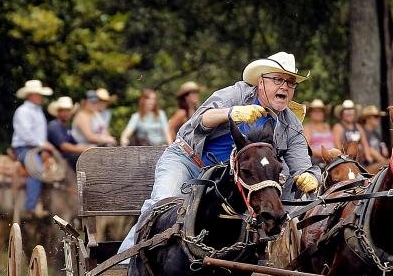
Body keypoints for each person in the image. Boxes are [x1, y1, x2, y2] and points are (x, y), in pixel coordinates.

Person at [119, 51, 322, 252]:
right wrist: (230, 112)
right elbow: (200, 120)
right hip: (188, 162)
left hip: (223, 183)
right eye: (278, 79)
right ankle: (125, 263)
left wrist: (310, 176)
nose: (284, 87)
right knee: (161, 206)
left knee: (255, 214)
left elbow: (302, 166)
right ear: (261, 82)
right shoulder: (237, 93)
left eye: (290, 83)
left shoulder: (291, 124)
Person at [11, 79, 55, 216]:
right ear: (30, 95)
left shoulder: (38, 111)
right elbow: (25, 134)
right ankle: (31, 207)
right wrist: (42, 144)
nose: (41, 97)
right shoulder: (23, 111)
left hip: (36, 148)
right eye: (38, 94)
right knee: (36, 171)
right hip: (24, 148)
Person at [47, 96, 91, 170]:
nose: (66, 113)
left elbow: (75, 144)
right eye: (63, 110)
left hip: (67, 158)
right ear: (58, 112)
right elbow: (64, 146)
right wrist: (87, 149)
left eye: (68, 110)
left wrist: (89, 148)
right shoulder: (54, 126)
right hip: (60, 159)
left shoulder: (65, 127)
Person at [332, 99, 380, 165]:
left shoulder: (358, 127)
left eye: (351, 110)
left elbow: (365, 144)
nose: (349, 113)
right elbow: (337, 147)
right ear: (342, 113)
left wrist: (369, 158)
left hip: (360, 161)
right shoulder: (338, 127)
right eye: (346, 111)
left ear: (354, 113)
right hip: (346, 161)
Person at [304, 98, 333, 162]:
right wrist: (323, 154)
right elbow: (306, 148)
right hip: (316, 160)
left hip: (332, 159)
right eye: (315, 111)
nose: (318, 113)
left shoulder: (326, 126)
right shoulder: (307, 127)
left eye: (320, 111)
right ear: (310, 113)